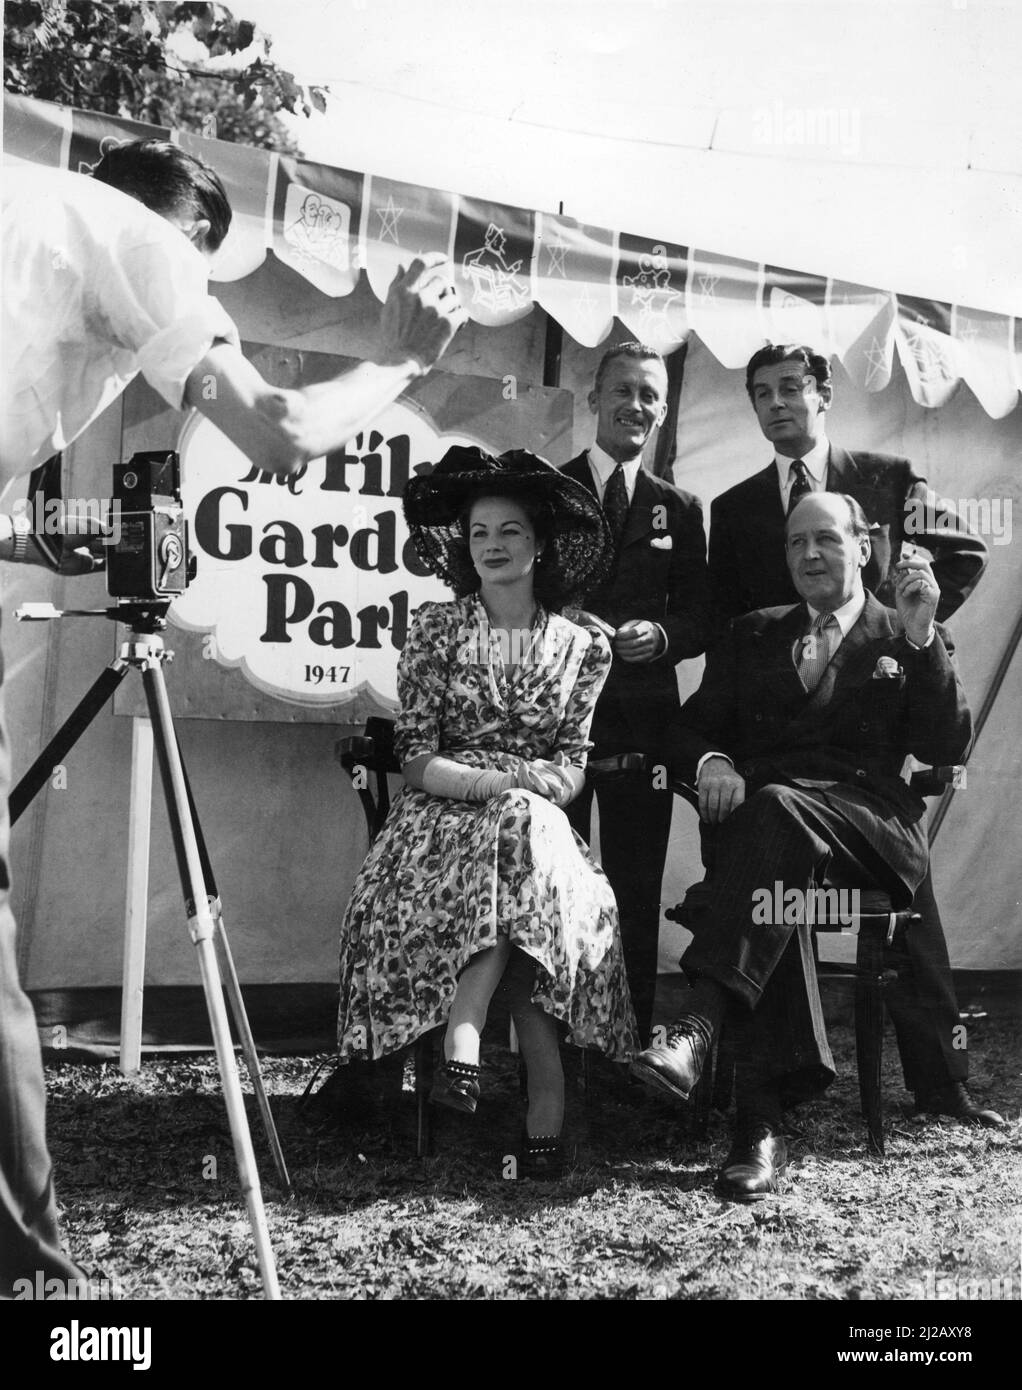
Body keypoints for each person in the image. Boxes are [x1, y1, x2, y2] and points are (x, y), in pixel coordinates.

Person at [0, 140, 465, 1295]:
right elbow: (285, 433)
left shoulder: (26, 210)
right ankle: (39, 1285)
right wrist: (403, 352)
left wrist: (54, 543)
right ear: (187, 240)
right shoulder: (140, 242)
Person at [630, 492, 978, 1200]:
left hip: (873, 832)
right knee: (771, 873)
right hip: (777, 841)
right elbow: (686, 732)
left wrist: (922, 639)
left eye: (825, 539)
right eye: (795, 544)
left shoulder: (905, 629)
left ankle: (700, 1023)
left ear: (863, 545)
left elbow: (944, 747)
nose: (809, 555)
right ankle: (757, 1130)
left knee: (771, 820)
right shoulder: (751, 633)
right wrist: (711, 765)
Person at [705, 343, 1000, 1126]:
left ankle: (940, 1080)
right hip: (781, 746)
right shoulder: (734, 509)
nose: (777, 405)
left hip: (868, 744)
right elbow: (727, 630)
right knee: (771, 846)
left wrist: (899, 635)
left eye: (791, 389)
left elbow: (965, 552)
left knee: (910, 914)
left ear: (824, 394)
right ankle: (765, 1084)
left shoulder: (888, 477)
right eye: (761, 393)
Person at [336, 447, 637, 1177]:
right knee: (519, 848)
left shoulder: (583, 646)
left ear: (539, 544)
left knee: (528, 843)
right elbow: (413, 754)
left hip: (534, 822)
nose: (494, 546)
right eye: (478, 534)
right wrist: (487, 786)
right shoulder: (438, 627)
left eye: (509, 531)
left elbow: (572, 761)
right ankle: (545, 1099)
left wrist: (535, 791)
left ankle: (466, 1032)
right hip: (437, 822)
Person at [560, 344, 712, 1043]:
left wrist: (663, 633)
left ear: (663, 409)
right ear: (594, 399)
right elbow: (510, 596)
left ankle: (627, 1036)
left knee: (634, 885)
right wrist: (562, 621)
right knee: (551, 882)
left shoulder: (679, 509)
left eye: (650, 395)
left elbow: (699, 617)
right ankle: (552, 1039)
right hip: (555, 721)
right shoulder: (550, 492)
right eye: (622, 390)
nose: (636, 406)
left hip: (645, 728)